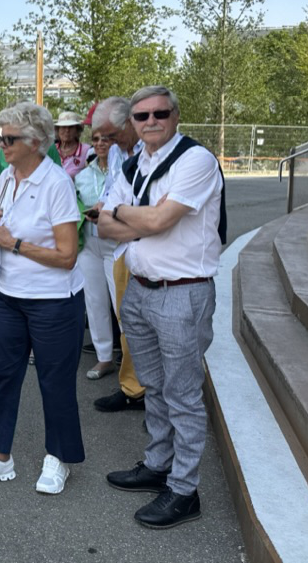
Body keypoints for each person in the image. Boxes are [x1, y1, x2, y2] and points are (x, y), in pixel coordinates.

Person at [99, 85, 224, 529]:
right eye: (141, 116)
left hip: (183, 293)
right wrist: (135, 217)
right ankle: (158, 465)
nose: (151, 121)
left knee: (183, 393)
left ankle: (184, 490)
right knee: (154, 384)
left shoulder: (196, 160)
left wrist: (128, 214)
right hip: (141, 289)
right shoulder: (133, 164)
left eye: (160, 113)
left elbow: (157, 220)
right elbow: (102, 227)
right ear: (131, 123)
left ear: (175, 115)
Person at [0, 103, 85, 495]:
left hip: (52, 301)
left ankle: (58, 458)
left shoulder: (57, 183)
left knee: (56, 382)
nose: (2, 145)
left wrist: (12, 242)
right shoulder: (9, 177)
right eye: (0, 138)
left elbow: (67, 256)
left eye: (9, 139)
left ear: (35, 142)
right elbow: (2, 227)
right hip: (6, 296)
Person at [89, 97, 147, 413]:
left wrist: (114, 215)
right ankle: (133, 389)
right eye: (102, 136)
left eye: (111, 135)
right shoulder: (115, 152)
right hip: (122, 247)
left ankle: (150, 391)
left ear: (128, 123)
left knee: (148, 323)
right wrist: (100, 207)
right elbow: (111, 189)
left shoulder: (150, 153)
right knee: (127, 320)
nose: (106, 142)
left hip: (147, 247)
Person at [74, 125, 117, 380]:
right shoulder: (81, 176)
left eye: (107, 139)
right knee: (95, 301)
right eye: (97, 139)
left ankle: (132, 359)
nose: (101, 143)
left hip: (116, 243)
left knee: (122, 304)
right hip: (89, 244)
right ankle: (104, 358)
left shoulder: (123, 172)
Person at [53, 111, 91, 179]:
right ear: (58, 130)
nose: (67, 130)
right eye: (63, 127)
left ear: (77, 130)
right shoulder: (51, 149)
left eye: (71, 127)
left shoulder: (87, 150)